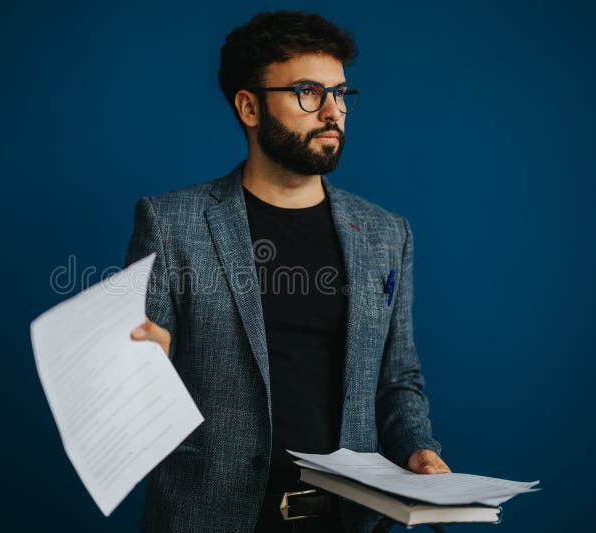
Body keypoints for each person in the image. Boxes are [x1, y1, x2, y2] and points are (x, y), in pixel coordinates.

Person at [125, 10, 450, 533]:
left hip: (347, 521)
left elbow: (397, 379)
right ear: (249, 106)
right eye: (307, 92)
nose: (332, 111)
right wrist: (141, 367)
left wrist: (418, 449)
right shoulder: (170, 223)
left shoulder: (388, 234)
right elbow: (137, 387)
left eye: (341, 93)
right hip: (214, 518)